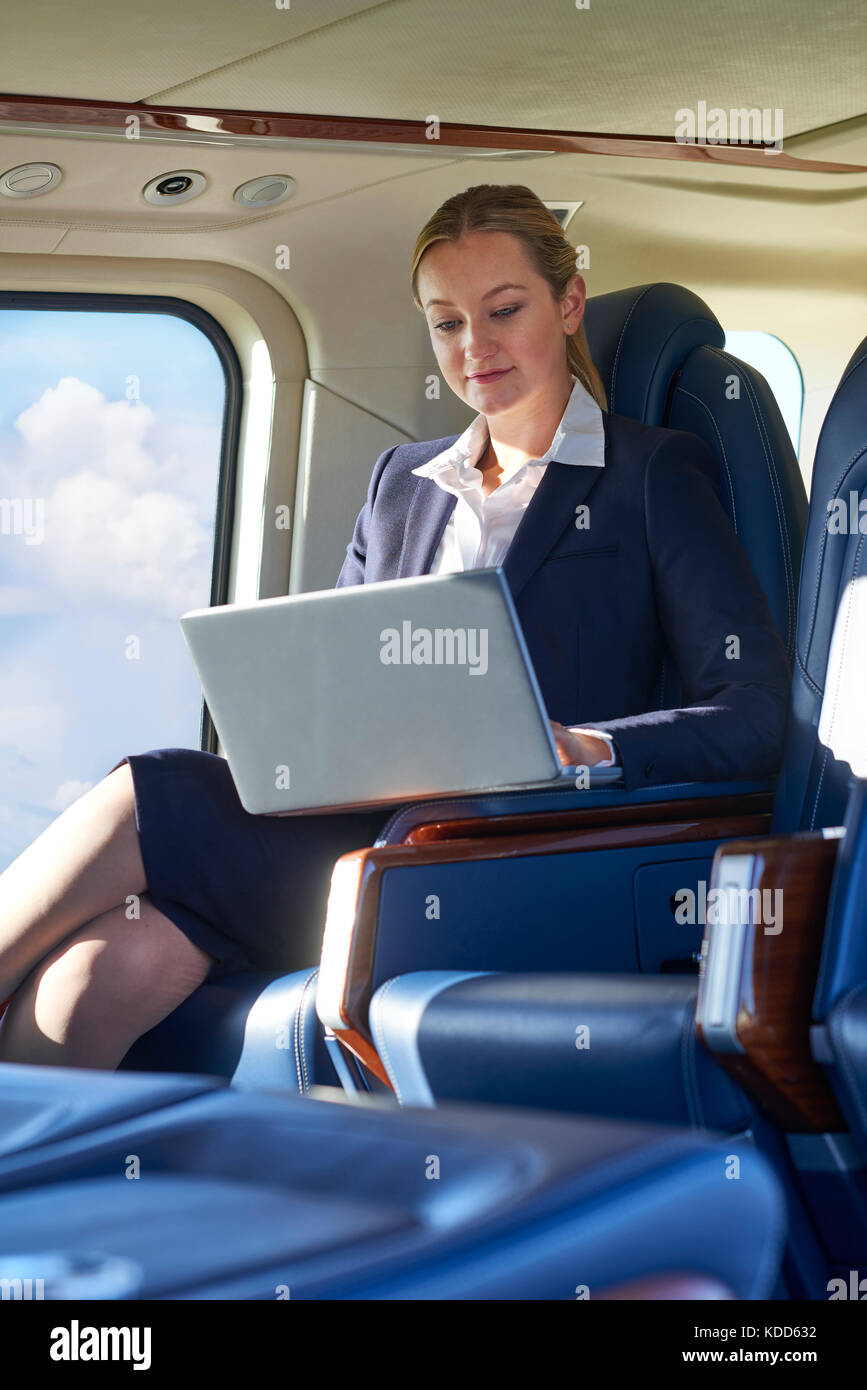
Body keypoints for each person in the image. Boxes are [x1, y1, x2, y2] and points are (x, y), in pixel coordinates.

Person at [0, 183, 790, 1070]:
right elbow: (336, 674)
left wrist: (590, 746)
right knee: (102, 969)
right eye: (446, 323)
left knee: (148, 794)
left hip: (499, 849)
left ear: (568, 304)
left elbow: (755, 714)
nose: (474, 346)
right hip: (353, 831)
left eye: (503, 310)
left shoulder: (649, 475)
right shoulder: (401, 480)